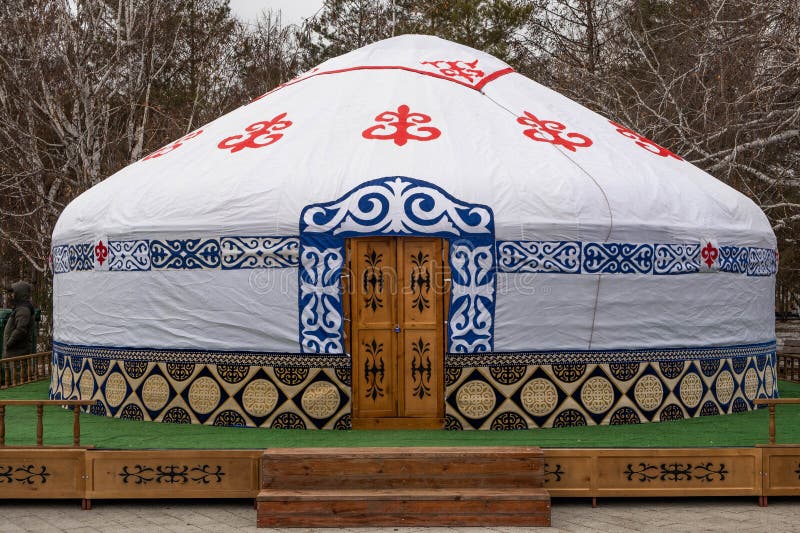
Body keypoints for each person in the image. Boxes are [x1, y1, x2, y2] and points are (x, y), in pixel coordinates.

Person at [3, 281, 35, 358]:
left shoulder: (23, 309)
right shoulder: (20, 307)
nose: (12, 295)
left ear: (19, 293)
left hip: (18, 353)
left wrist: (9, 343)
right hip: (15, 352)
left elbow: (21, 330)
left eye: (14, 292)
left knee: (19, 370)